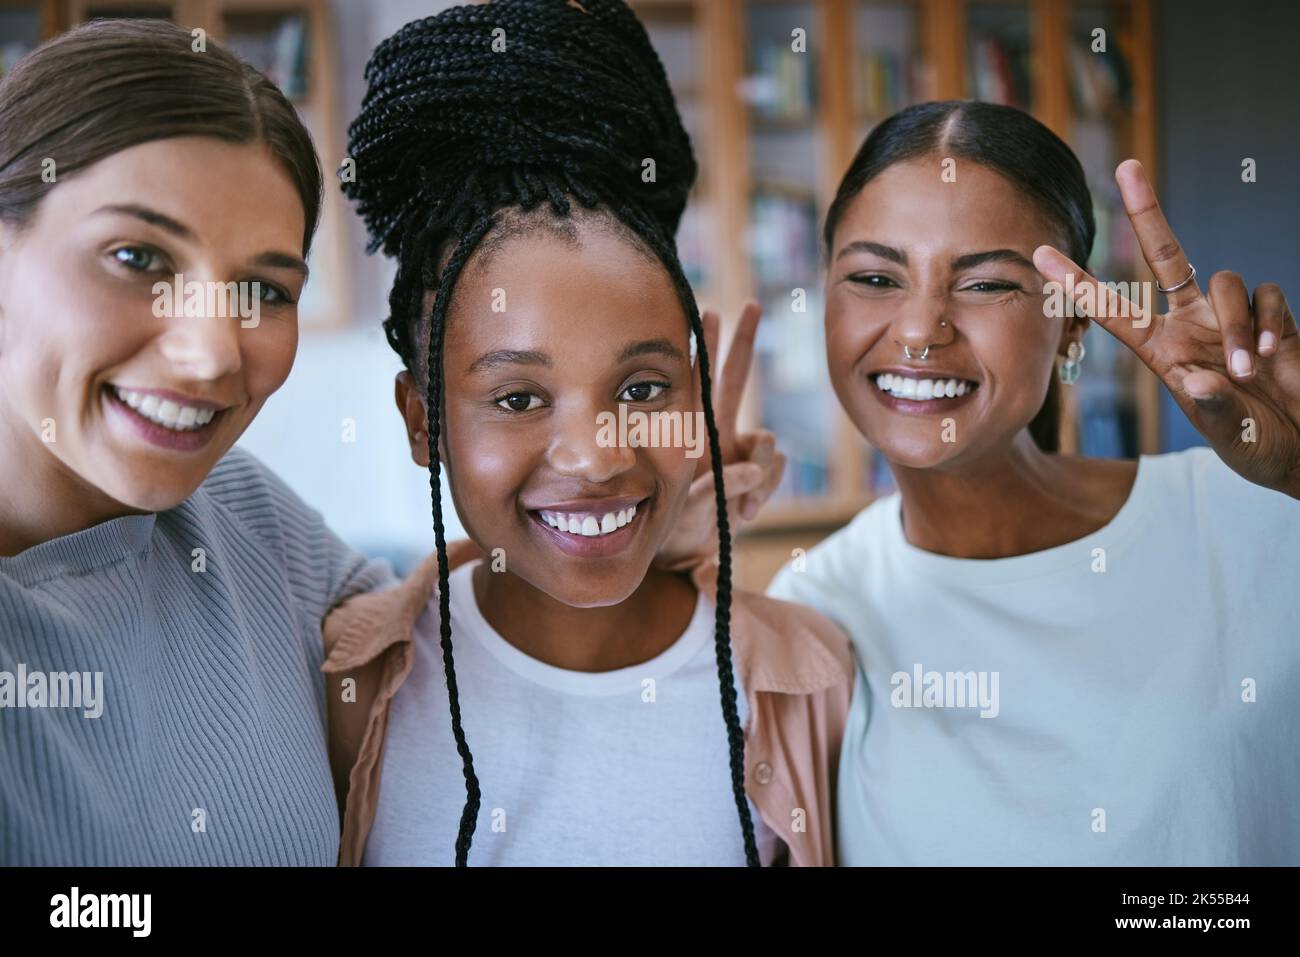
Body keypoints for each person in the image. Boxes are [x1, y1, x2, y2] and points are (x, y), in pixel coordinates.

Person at [322, 0, 852, 867]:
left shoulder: (808, 682)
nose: (599, 454)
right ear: (423, 420)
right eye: (519, 398)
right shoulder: (354, 682)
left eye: (643, 387)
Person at [760, 100, 1300, 865]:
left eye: (984, 286)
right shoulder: (811, 614)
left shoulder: (1252, 514)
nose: (918, 329)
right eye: (876, 276)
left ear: (1073, 324)